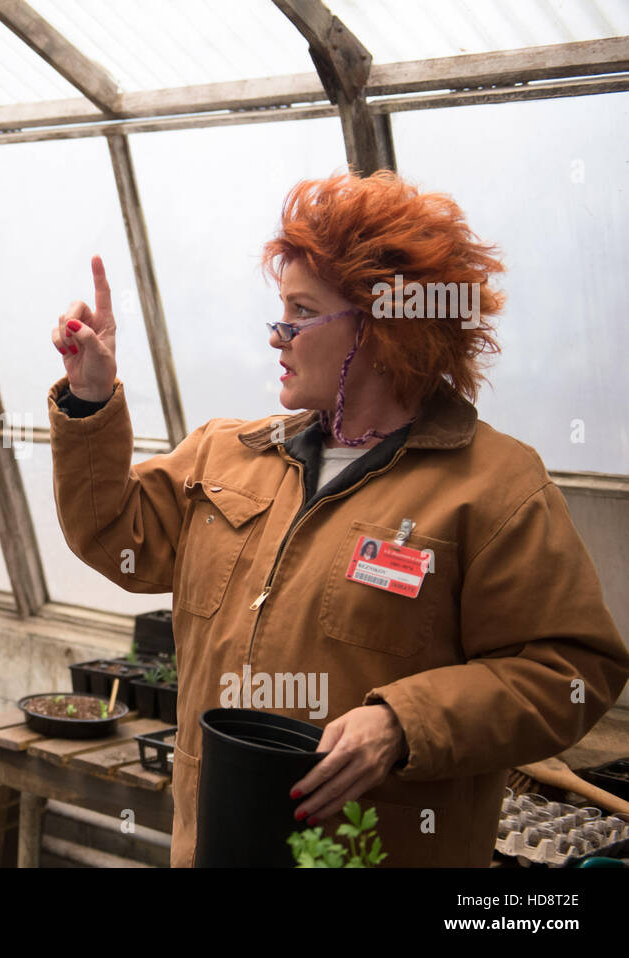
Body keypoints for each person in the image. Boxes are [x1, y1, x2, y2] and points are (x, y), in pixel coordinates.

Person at [48, 170, 629, 867]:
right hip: (217, 846)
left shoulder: (494, 489)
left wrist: (404, 723)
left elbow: (571, 672)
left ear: (383, 327)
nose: (277, 335)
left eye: (299, 310)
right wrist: (90, 398)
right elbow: (113, 536)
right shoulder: (228, 455)